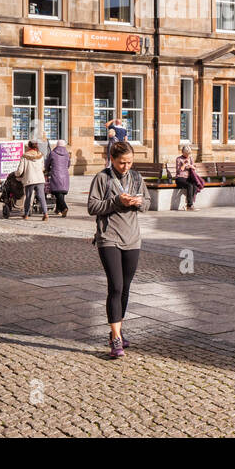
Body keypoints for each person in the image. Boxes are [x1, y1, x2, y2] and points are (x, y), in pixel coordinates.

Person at [88, 140, 151, 359]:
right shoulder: (102, 178)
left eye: (129, 162)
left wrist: (137, 202)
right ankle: (115, 338)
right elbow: (92, 207)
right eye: (122, 162)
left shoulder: (136, 177)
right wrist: (116, 201)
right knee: (115, 286)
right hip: (109, 238)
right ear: (112, 160)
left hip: (132, 238)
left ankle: (119, 329)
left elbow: (148, 203)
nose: (126, 167)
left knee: (125, 288)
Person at [13, 140, 48, 220]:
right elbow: (43, 168)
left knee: (28, 197)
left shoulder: (25, 156)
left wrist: (16, 174)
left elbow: (20, 170)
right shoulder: (40, 155)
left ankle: (26, 214)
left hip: (30, 179)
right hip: (39, 179)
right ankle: (45, 214)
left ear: (29, 146)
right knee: (41, 197)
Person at [44, 138, 71, 218]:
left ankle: (64, 207)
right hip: (65, 175)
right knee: (61, 192)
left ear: (57, 145)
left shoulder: (52, 153)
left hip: (56, 173)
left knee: (57, 192)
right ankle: (58, 210)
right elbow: (68, 164)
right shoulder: (67, 154)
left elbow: (47, 164)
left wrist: (47, 169)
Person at [171, 143, 199, 211]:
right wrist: (183, 164)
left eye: (189, 154)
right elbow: (178, 171)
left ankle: (188, 204)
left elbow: (194, 168)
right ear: (183, 152)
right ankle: (190, 205)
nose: (188, 155)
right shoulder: (179, 159)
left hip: (188, 177)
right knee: (189, 185)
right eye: (186, 154)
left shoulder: (190, 158)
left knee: (195, 185)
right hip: (180, 178)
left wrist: (191, 166)